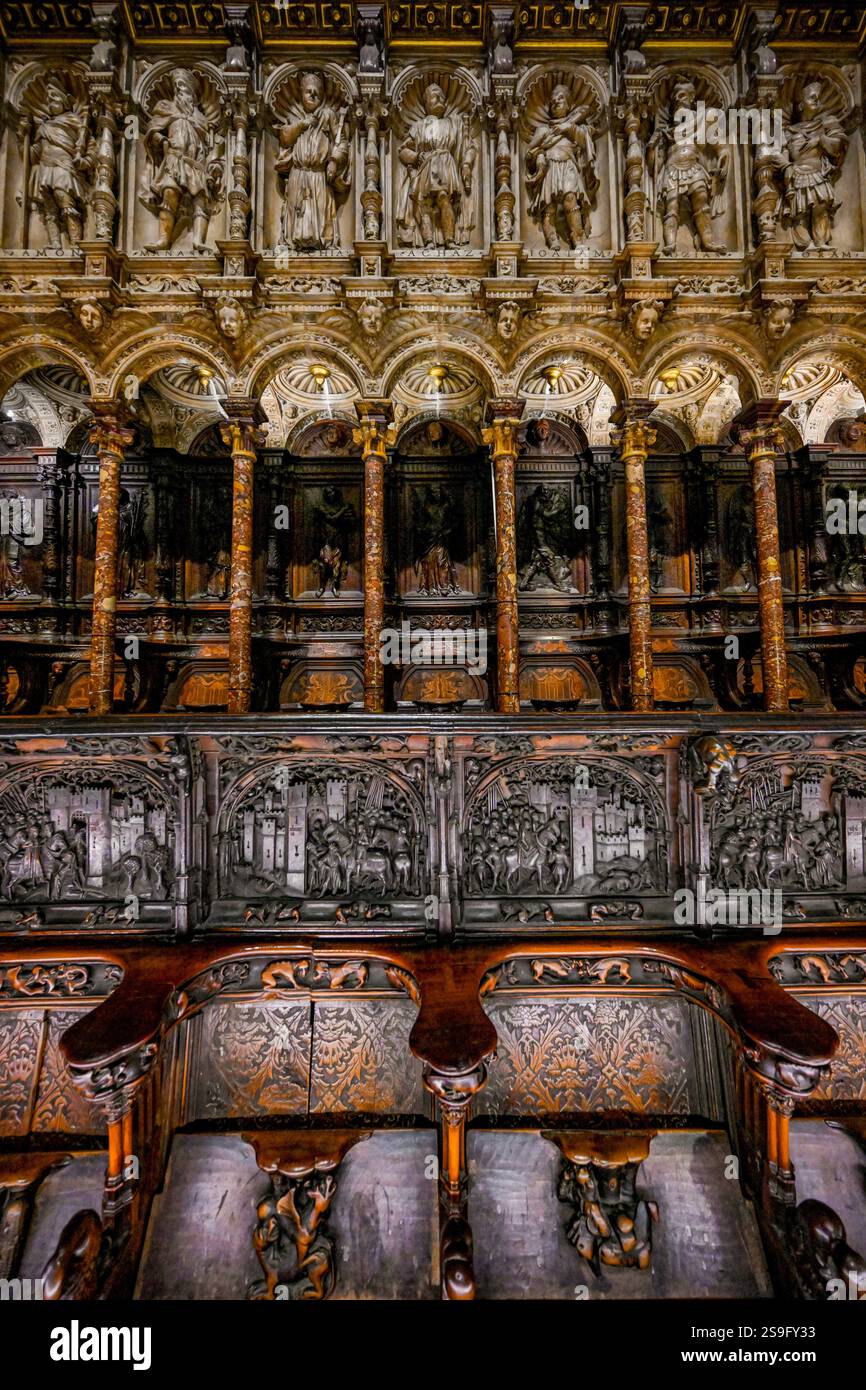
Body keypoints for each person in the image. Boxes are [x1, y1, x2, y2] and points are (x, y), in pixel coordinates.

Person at [276, 72, 349, 251]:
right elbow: (285, 138)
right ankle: (292, 243)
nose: (312, 94)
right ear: (301, 94)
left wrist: (333, 160)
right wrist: (302, 124)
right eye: (308, 91)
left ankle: (325, 243)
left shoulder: (328, 115)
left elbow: (342, 142)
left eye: (316, 91)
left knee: (321, 211)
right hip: (298, 174)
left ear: (322, 95)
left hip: (319, 174)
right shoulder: (294, 118)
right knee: (297, 210)